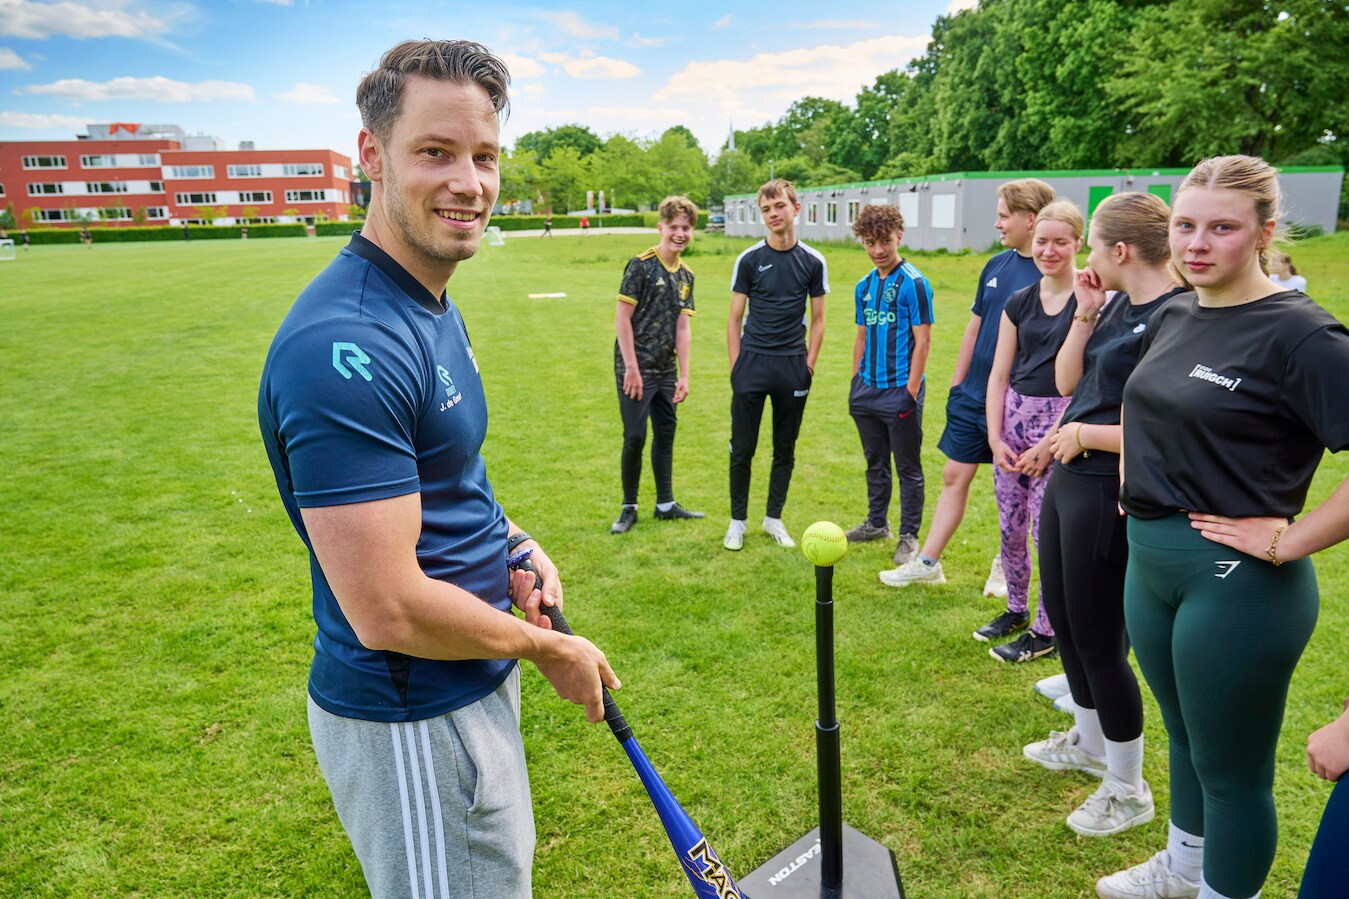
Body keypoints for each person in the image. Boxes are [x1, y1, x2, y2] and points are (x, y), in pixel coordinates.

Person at [257, 40, 618, 899]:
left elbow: (451, 479)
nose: (470, 182)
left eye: (484, 156)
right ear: (371, 157)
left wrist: (513, 541)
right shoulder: (343, 343)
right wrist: (546, 646)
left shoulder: (426, 300)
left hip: (468, 671)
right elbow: (385, 608)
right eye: (436, 152)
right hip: (412, 712)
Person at [1098, 154, 1349, 899]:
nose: (1195, 243)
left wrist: (1289, 538)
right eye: (1183, 224)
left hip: (1235, 585)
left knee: (1232, 772)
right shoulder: (1175, 309)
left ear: (1264, 232)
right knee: (1183, 739)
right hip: (1150, 563)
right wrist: (1129, 481)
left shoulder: (1301, 335)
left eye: (1221, 228)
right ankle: (1181, 867)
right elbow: (1142, 404)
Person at [1022, 193, 1186, 837]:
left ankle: (1128, 785)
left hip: (1106, 485)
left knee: (1099, 639)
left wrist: (1089, 437)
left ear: (1120, 250)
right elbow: (1068, 384)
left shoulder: (1177, 315)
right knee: (1065, 619)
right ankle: (1089, 745)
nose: (1085, 258)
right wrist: (1086, 315)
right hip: (1071, 475)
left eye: (1091, 245)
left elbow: (1170, 427)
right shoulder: (1113, 302)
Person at [879, 178, 1055, 591]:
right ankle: (928, 563)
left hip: (1015, 401)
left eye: (1003, 215)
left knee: (1017, 489)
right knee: (954, 476)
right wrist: (958, 385)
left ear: (1030, 219)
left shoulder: (1051, 274)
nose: (997, 223)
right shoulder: (995, 265)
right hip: (972, 394)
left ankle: (1005, 563)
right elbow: (973, 330)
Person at [977, 200, 1079, 663]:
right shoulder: (1020, 302)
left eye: (1061, 241)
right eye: (1042, 241)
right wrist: (995, 437)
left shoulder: (1092, 302)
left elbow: (1086, 384)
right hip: (1013, 426)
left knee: (1046, 533)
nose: (1049, 250)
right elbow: (999, 374)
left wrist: (1048, 444)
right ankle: (1016, 608)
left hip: (1057, 432)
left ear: (1079, 242)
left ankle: (1047, 628)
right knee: (1010, 529)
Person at [724, 178, 828, 551]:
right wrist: (737, 366)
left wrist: (809, 363)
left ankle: (773, 518)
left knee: (785, 448)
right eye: (766, 209)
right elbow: (735, 317)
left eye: (779, 206)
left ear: (795, 209)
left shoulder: (813, 261)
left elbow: (818, 319)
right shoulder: (749, 259)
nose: (773, 214)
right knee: (743, 447)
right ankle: (737, 522)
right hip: (752, 365)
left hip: (792, 367)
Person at [843, 203, 934, 566]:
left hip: (900, 390)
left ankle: (908, 537)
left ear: (899, 236)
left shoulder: (914, 283)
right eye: (869, 242)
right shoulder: (863, 286)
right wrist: (855, 382)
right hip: (866, 391)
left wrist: (910, 391)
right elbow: (861, 337)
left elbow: (923, 341)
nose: (878, 250)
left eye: (884, 241)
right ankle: (876, 523)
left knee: (907, 467)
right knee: (874, 461)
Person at [610, 195, 703, 533]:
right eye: (674, 227)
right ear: (661, 227)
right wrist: (631, 367)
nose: (680, 233)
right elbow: (622, 319)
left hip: (666, 372)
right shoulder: (641, 265)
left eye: (686, 228)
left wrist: (685, 375)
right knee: (635, 436)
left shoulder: (687, 275)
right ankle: (629, 507)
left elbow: (683, 327)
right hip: (635, 368)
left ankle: (665, 503)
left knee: (666, 434)